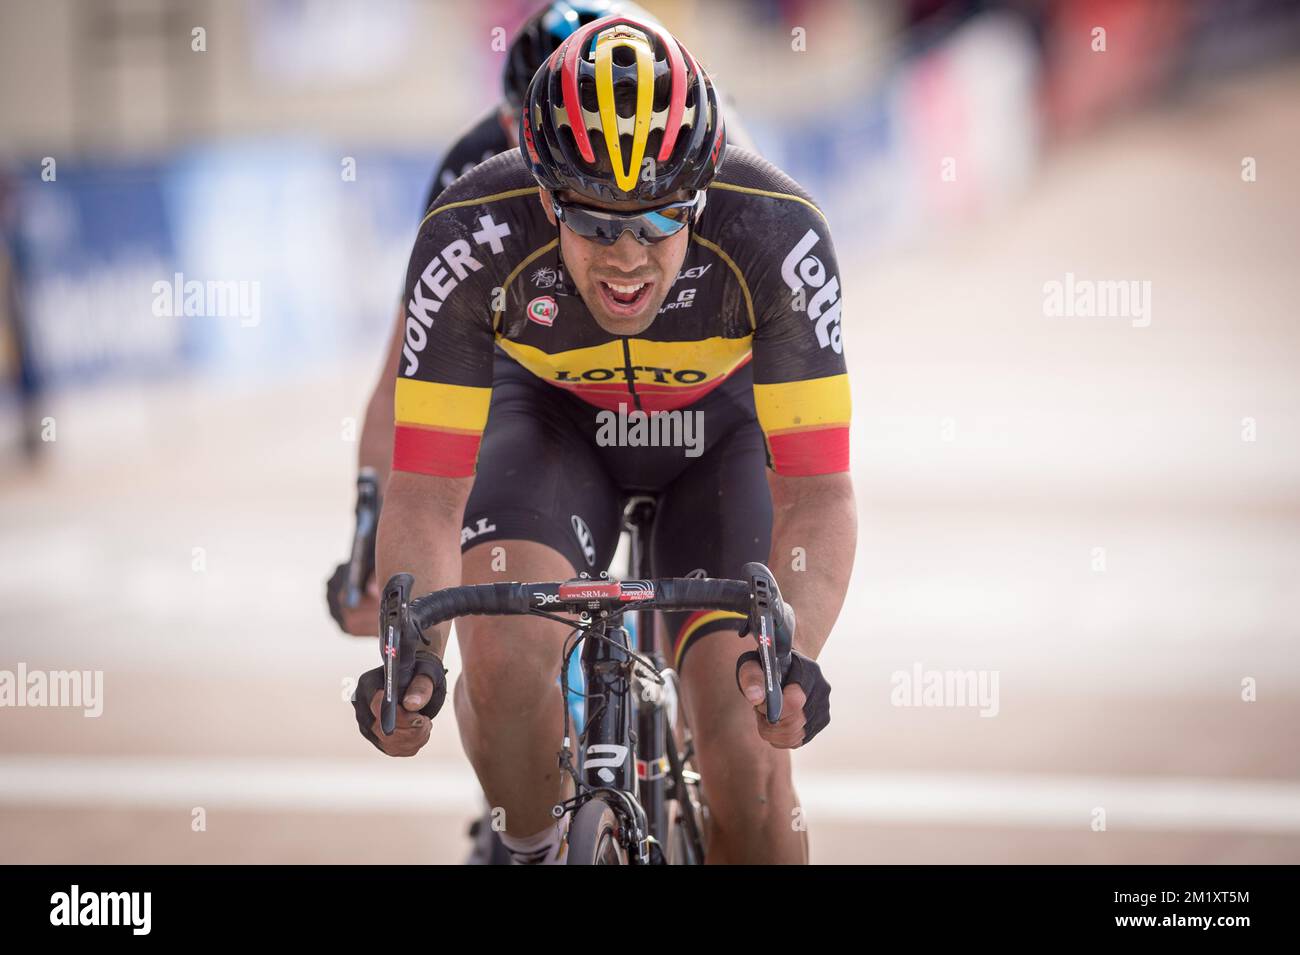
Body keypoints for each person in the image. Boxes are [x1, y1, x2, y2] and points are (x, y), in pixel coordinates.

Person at [351, 14, 857, 864]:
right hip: (551, 423)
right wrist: (415, 653)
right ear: (545, 196)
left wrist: (793, 648)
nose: (627, 258)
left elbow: (820, 495)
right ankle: (535, 842)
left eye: (659, 223)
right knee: (506, 662)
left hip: (716, 441)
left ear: (701, 197)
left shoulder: (776, 232)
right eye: (593, 222)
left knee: (752, 770)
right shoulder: (470, 233)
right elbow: (428, 493)